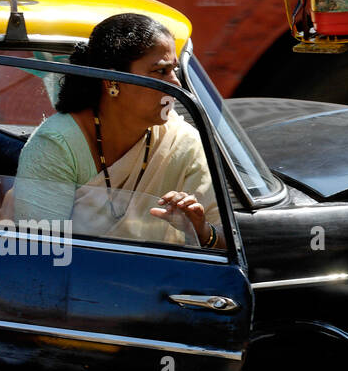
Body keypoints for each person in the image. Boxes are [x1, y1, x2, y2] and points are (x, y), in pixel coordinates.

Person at [11, 13, 222, 248]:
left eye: (174, 70)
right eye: (161, 72)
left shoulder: (182, 142)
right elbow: (39, 253)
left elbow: (225, 243)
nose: (176, 84)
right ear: (112, 80)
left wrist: (202, 231)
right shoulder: (57, 144)